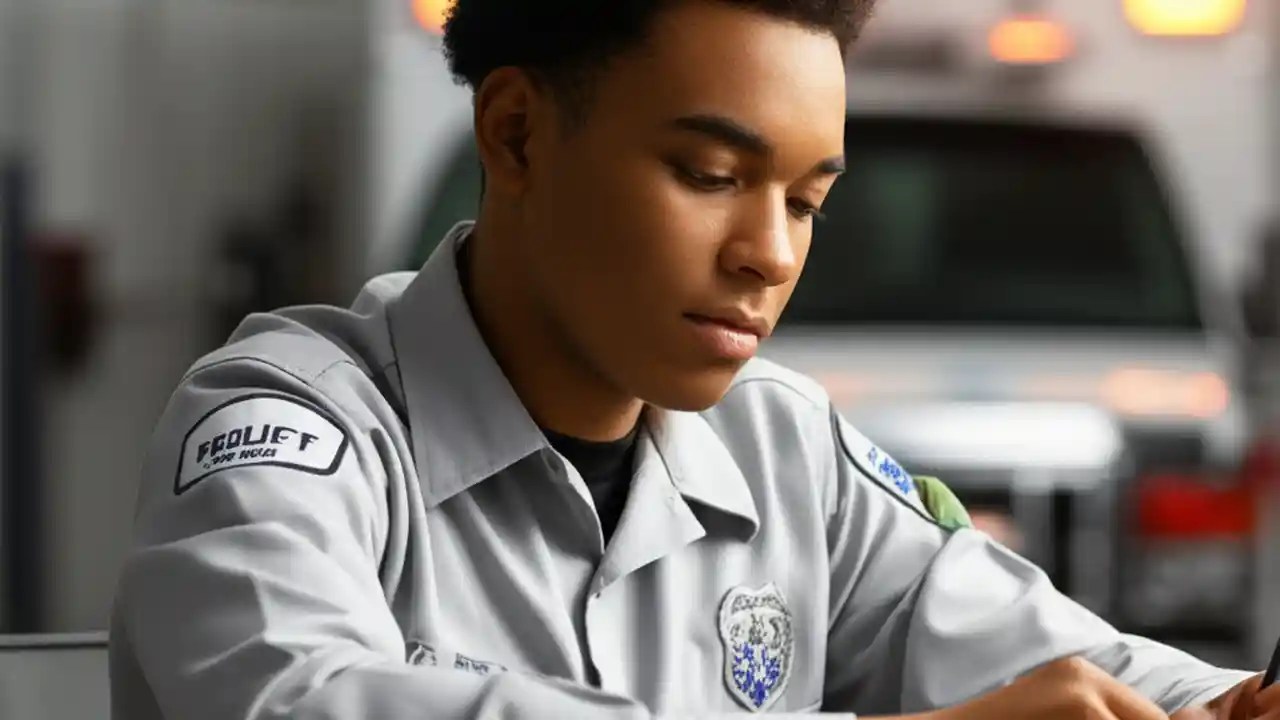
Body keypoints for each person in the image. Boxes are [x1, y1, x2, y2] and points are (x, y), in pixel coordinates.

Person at [108, 1, 1279, 718]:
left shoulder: (781, 447)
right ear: (515, 134)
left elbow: (1056, 660)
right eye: (711, 176)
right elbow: (297, 702)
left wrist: (1224, 704)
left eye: (806, 202)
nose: (768, 254)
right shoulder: (292, 429)